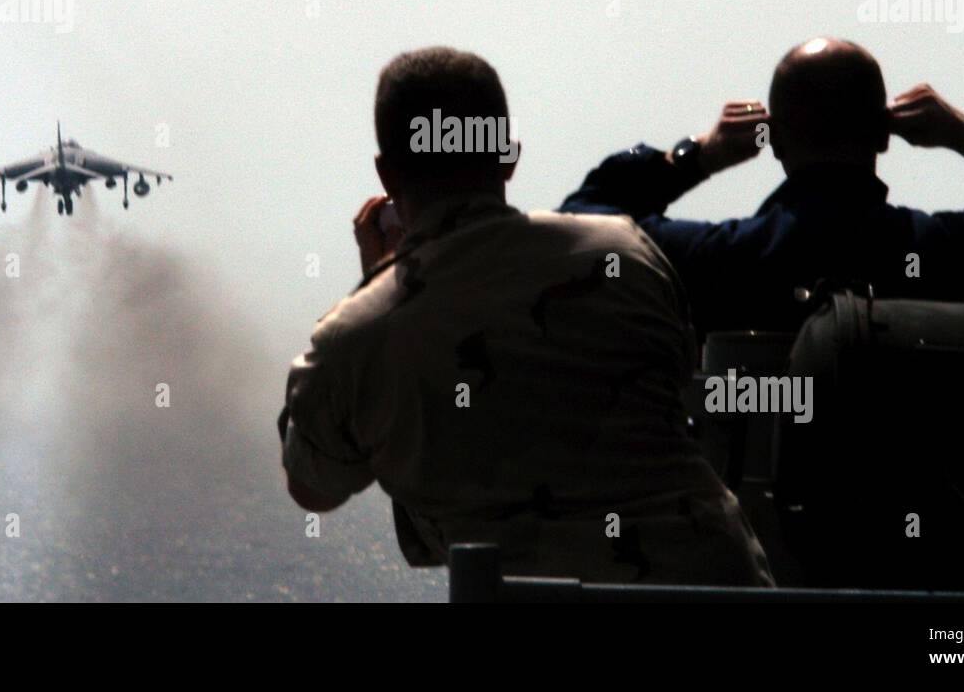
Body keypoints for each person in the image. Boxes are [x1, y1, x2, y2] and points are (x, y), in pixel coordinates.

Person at [279, 47, 772, 585]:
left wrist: (380, 278)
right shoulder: (625, 255)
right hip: (716, 584)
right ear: (509, 156)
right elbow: (675, 389)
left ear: (387, 175)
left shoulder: (359, 334)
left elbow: (314, 484)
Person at [561, 37, 964, 338]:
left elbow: (582, 227)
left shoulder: (723, 260)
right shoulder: (939, 255)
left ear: (773, 142)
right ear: (885, 133)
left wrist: (698, 154)